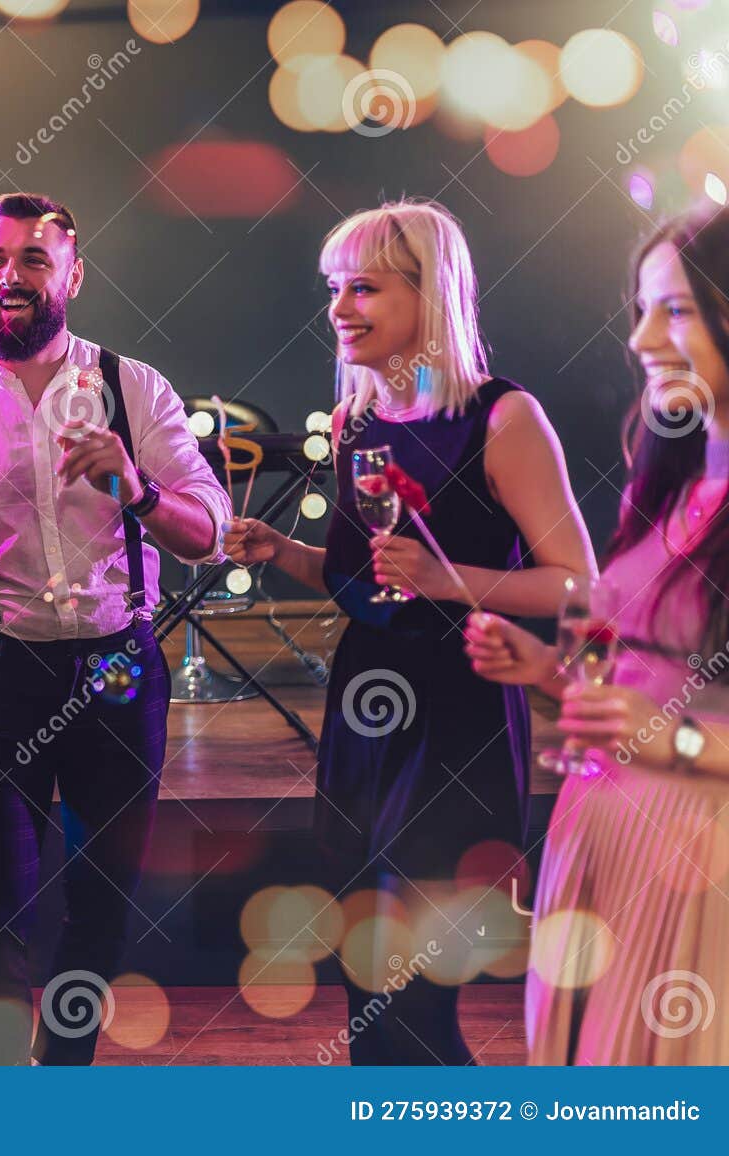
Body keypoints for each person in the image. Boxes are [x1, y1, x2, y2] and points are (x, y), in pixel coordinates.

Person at [224, 200, 595, 1064]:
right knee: (365, 993)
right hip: (365, 714)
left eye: (364, 287)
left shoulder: (503, 419)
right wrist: (282, 550)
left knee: (415, 1002)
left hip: (457, 716)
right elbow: (364, 581)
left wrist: (452, 582)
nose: (340, 308)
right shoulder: (360, 423)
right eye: (332, 289)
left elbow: (581, 585)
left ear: (431, 297)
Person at [0, 193, 229, 1065]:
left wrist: (137, 490)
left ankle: (61, 1078)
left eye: (33, 258)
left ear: (73, 273)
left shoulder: (132, 389)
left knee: (103, 901)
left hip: (120, 668)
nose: (11, 276)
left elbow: (211, 529)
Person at [467, 203, 729, 1064]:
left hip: (698, 863)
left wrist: (672, 742)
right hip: (600, 835)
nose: (644, 337)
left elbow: (671, 722)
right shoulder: (670, 488)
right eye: (642, 310)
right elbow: (625, 683)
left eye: (678, 309)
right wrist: (545, 667)